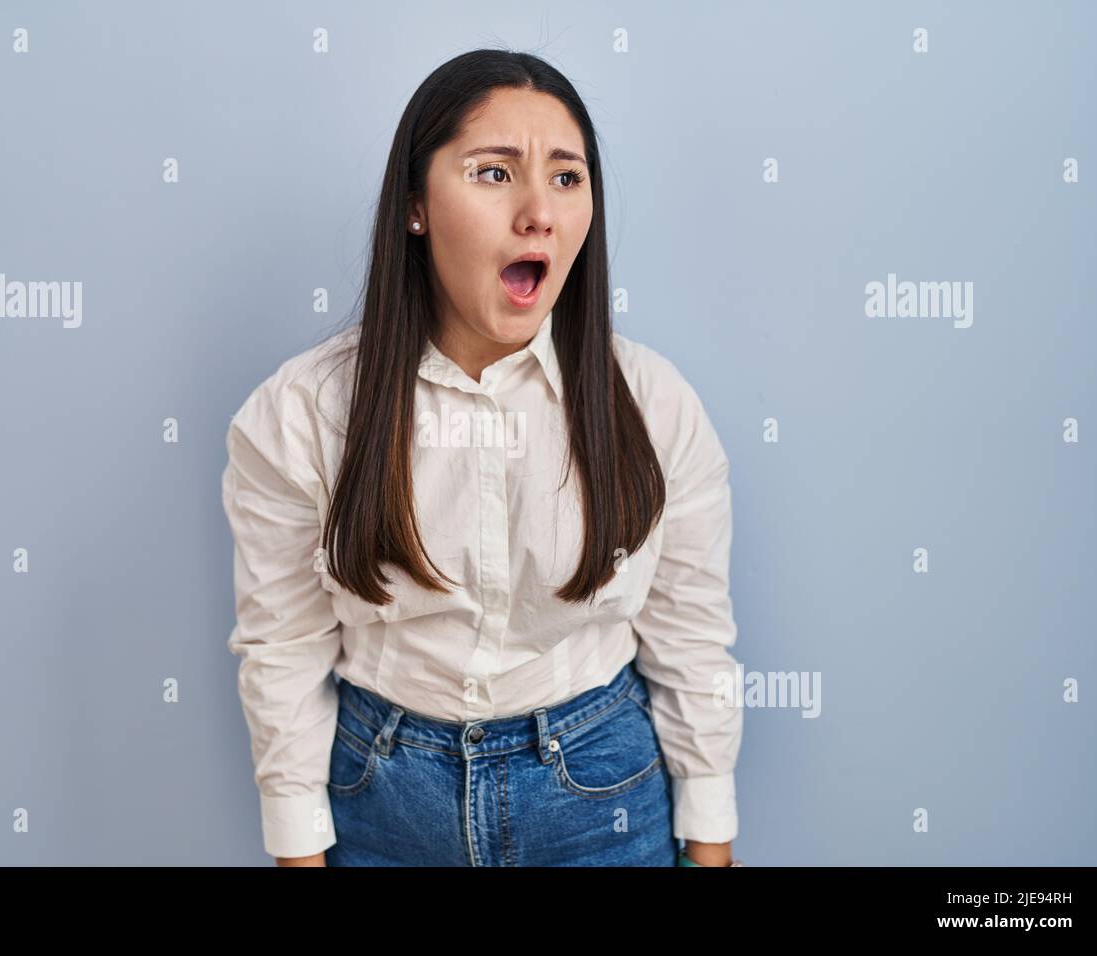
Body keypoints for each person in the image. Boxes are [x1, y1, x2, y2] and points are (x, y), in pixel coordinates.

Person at [221, 49, 743, 866]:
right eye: (494, 173)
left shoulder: (654, 402)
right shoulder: (298, 414)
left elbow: (690, 636)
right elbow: (282, 646)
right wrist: (297, 850)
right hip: (382, 798)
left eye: (567, 178)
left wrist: (710, 843)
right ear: (416, 208)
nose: (539, 211)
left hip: (599, 789)